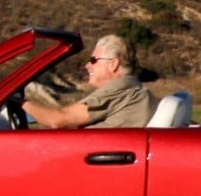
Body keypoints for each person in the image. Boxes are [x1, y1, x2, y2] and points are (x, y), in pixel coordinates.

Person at [22, 34, 156, 129]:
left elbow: (59, 120)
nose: (88, 65)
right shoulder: (136, 91)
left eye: (94, 60)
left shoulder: (120, 90)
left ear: (113, 64)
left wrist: (22, 103)